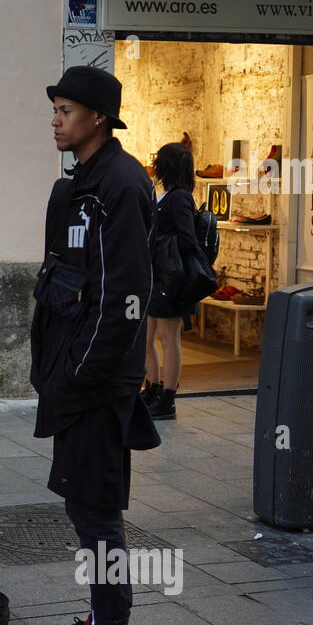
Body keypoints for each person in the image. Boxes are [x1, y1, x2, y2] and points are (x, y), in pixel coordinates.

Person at [29, 67, 160, 625]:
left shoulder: (123, 184)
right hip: (73, 377)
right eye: (54, 108)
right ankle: (97, 618)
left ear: (98, 118)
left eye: (65, 109)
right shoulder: (82, 180)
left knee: (99, 512)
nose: (55, 118)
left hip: (97, 383)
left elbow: (124, 294)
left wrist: (81, 371)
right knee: (83, 508)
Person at [142, 142, 201, 421]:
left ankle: (167, 397)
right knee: (147, 336)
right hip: (158, 276)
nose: (155, 165)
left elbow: (188, 239)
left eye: (159, 161)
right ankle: (152, 388)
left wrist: (160, 246)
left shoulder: (179, 198)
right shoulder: (167, 195)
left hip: (170, 278)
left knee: (169, 338)